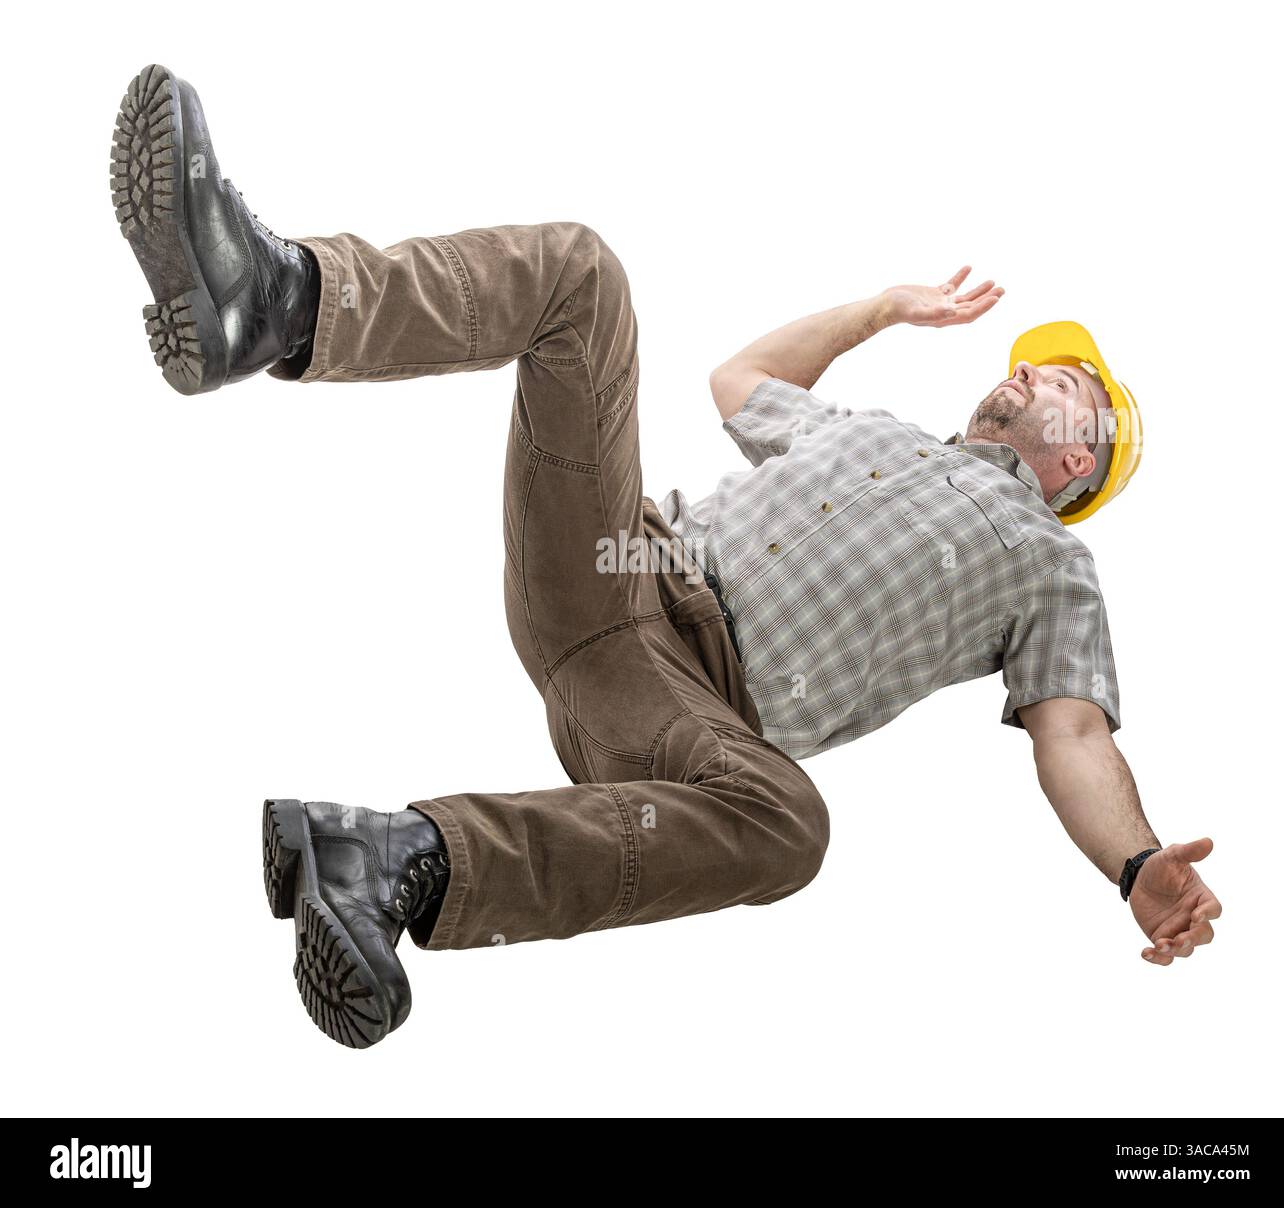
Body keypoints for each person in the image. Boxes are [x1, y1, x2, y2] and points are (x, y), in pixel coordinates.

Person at [111, 64, 1222, 1049]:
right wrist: (882, 308)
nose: (1026, 374)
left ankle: (389, 860)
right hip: (611, 557)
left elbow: (1070, 731)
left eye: (1058, 384)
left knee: (791, 826)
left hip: (681, 705)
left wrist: (1133, 863)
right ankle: (277, 296)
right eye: (1031, 364)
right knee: (581, 277)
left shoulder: (1050, 565)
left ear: (1081, 454)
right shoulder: (869, 429)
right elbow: (739, 379)